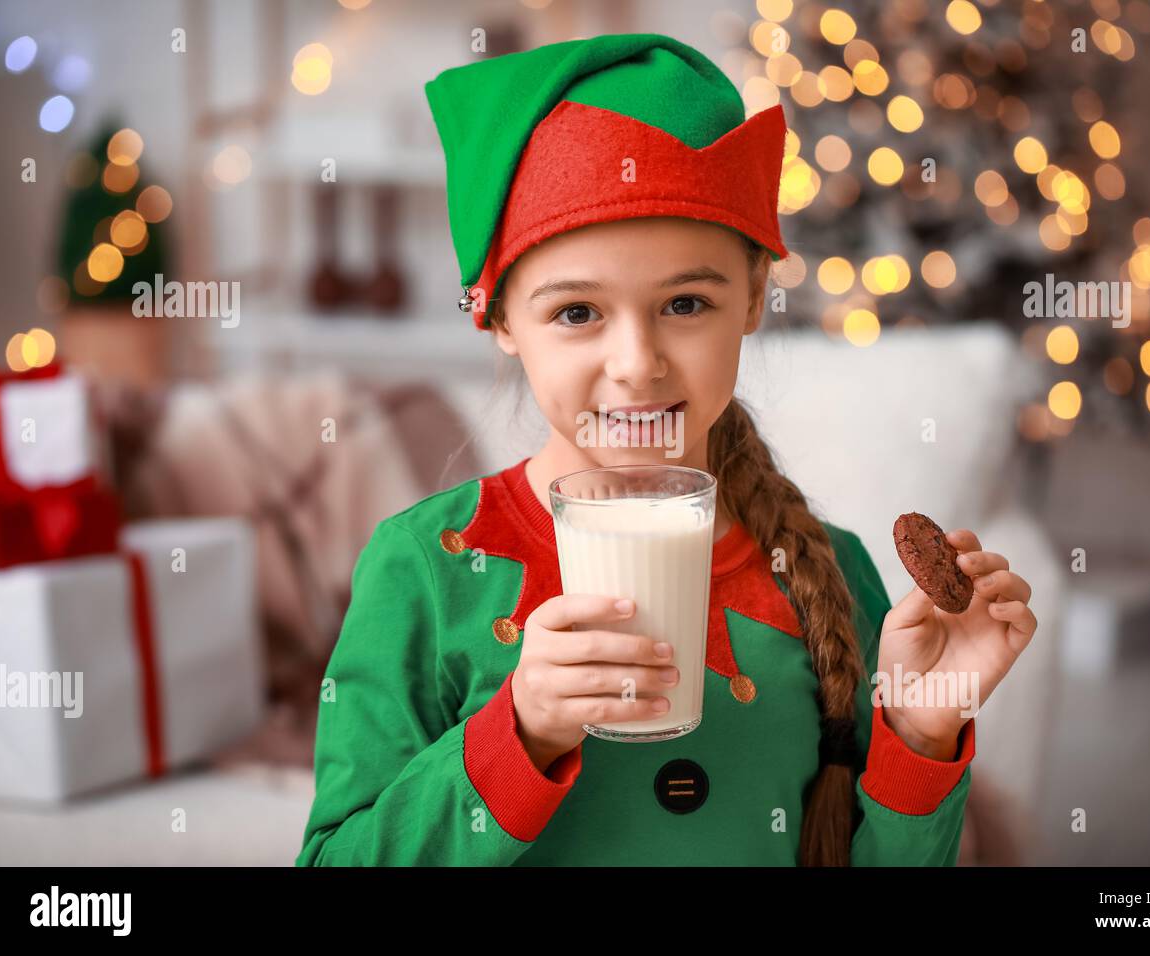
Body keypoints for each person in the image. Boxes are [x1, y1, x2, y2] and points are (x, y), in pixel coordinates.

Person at [295, 33, 1038, 867]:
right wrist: (521, 733)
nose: (639, 364)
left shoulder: (834, 577)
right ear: (499, 317)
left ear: (754, 296)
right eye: (576, 313)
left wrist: (922, 731)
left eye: (686, 302)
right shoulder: (423, 572)